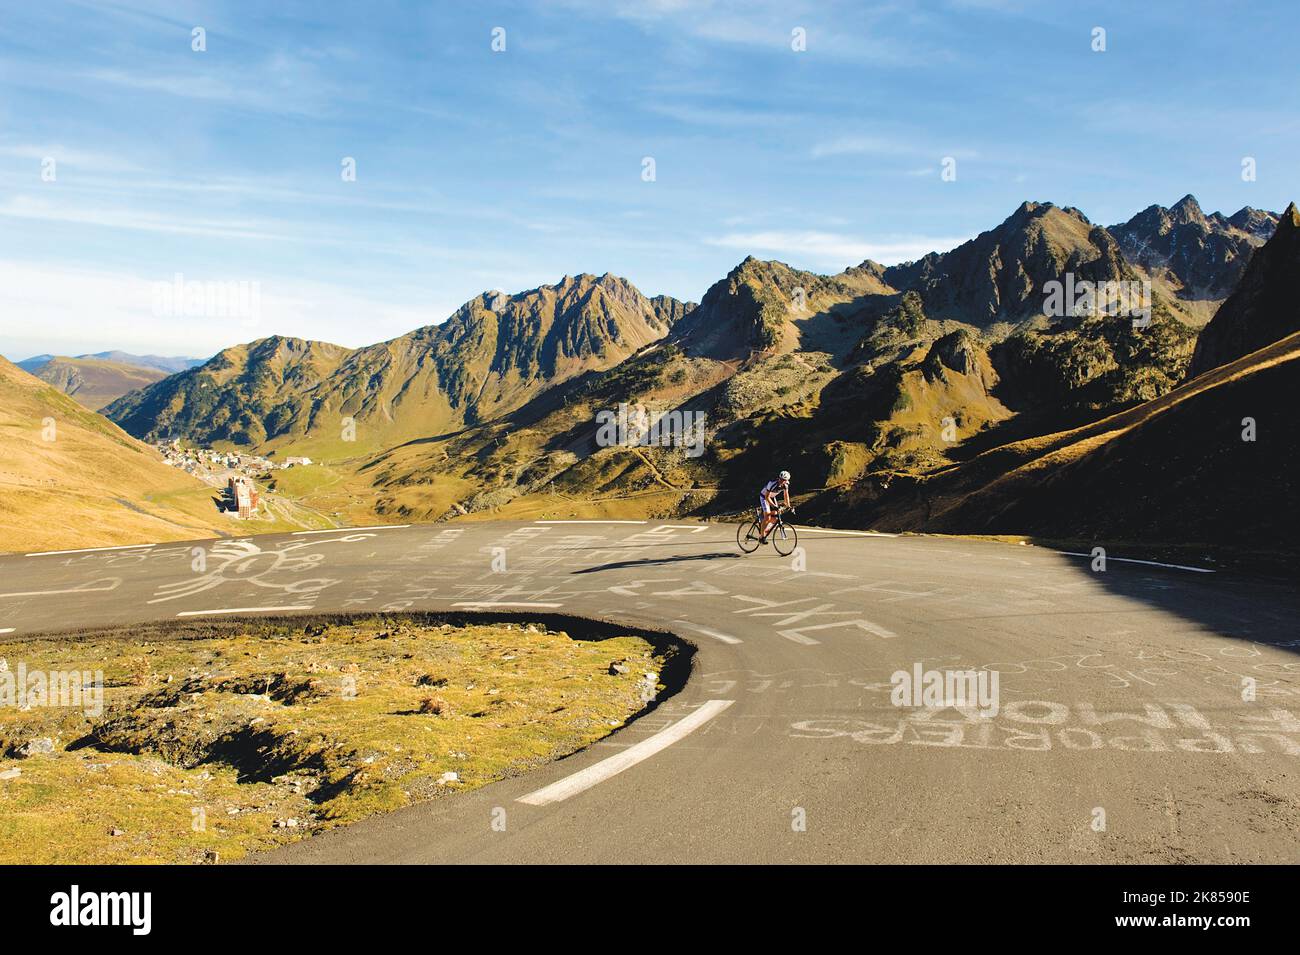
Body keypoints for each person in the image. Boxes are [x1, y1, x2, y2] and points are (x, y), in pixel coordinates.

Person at [757, 470, 792, 543]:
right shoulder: (772, 483)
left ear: (787, 480)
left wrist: (788, 506)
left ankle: (765, 525)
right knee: (767, 516)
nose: (782, 481)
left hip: (772, 497)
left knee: (776, 516)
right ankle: (762, 537)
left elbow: (786, 495)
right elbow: (767, 497)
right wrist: (774, 506)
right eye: (781, 479)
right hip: (764, 497)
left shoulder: (786, 485)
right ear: (779, 478)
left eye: (784, 480)